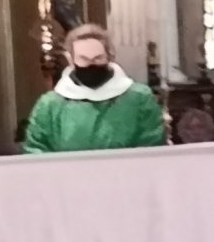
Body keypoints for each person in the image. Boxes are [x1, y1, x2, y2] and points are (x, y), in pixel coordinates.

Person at [23, 24, 167, 154]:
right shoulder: (50, 105)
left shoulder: (139, 99)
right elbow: (36, 151)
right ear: (71, 60)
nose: (91, 64)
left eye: (98, 58)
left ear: (109, 57)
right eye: (83, 59)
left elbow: (152, 149)